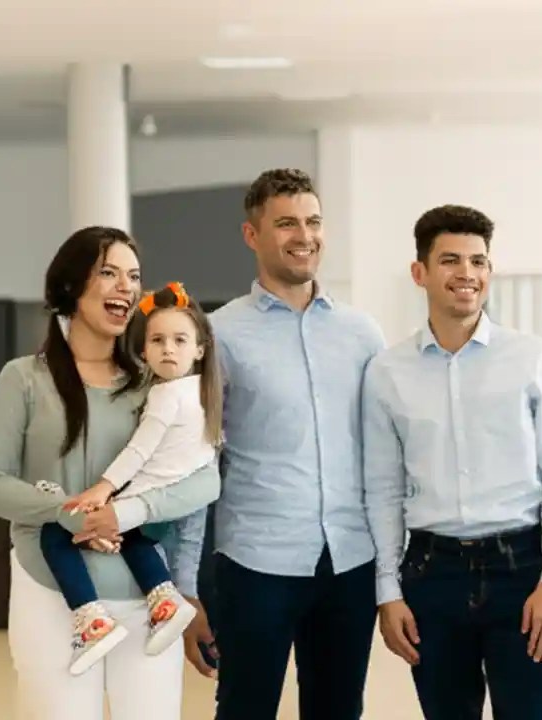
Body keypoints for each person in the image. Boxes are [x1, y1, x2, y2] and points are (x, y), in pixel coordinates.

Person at [0, 227, 222, 720]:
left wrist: (127, 513)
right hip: (51, 595)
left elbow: (204, 480)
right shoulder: (24, 378)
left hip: (148, 601)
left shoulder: (159, 384)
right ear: (71, 286)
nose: (125, 287)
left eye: (133, 276)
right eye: (108, 273)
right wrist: (70, 515)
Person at [175, 168, 386, 719]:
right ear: (253, 236)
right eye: (287, 223)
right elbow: (194, 468)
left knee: (339, 710)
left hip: (350, 562)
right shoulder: (218, 336)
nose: (304, 236)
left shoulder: (363, 334)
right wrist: (187, 590)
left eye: (313, 222)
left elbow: (385, 454)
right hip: (254, 566)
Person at [363, 204, 542, 720]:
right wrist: (387, 592)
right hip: (430, 575)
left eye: (479, 261)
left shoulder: (532, 358)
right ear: (419, 272)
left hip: (522, 572)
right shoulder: (387, 372)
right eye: (450, 260)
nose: (467, 273)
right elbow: (382, 489)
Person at [37, 280, 220, 675]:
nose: (168, 349)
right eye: (157, 340)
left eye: (178, 340)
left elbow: (139, 450)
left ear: (199, 349)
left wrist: (103, 490)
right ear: (143, 350)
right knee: (134, 543)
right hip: (169, 511)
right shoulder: (205, 397)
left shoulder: (164, 396)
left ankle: (91, 620)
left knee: (55, 535)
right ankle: (165, 602)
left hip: (143, 502)